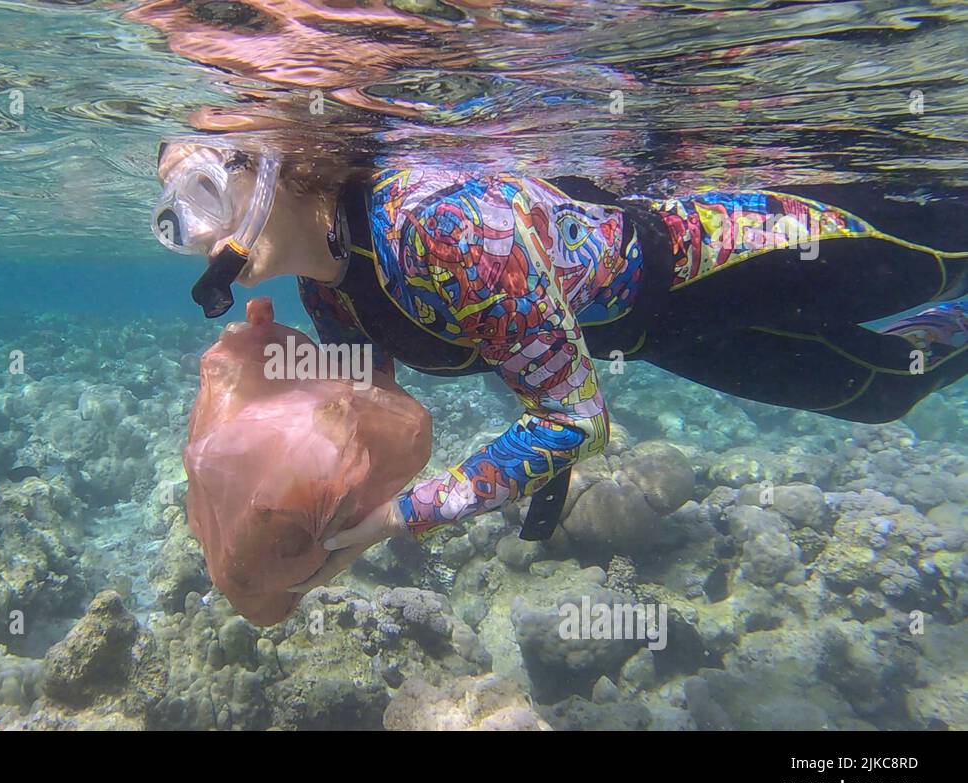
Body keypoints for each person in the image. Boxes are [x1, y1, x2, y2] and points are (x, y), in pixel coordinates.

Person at [153, 139, 968, 592]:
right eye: (175, 214)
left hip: (733, 251)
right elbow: (371, 415)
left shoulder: (437, 228)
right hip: (656, 334)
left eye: (204, 190)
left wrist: (406, 515)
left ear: (270, 162)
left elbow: (575, 418)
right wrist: (265, 410)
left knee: (947, 254)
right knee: (883, 388)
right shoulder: (328, 293)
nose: (199, 232)